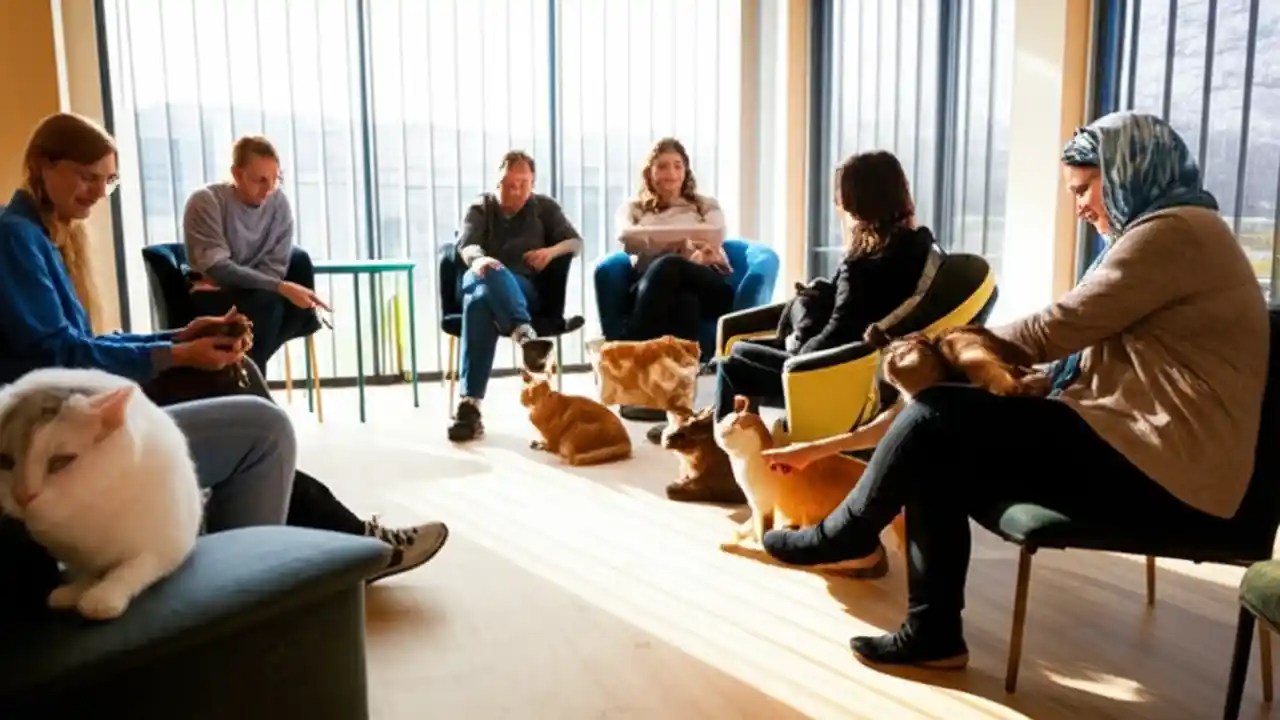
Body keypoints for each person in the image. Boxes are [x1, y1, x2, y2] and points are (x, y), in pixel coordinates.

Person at [760, 111, 1268, 669]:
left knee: (937, 421)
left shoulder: (1174, 234)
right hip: (1139, 441)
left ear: (1127, 172)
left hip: (1168, 465)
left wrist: (947, 345)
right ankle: (931, 633)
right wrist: (825, 446)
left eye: (1084, 188)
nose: (1079, 206)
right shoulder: (1170, 231)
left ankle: (846, 536)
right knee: (937, 439)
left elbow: (1052, 331)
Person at [0, 112, 446, 584]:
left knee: (242, 374)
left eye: (107, 181)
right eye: (87, 176)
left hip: (72, 402)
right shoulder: (16, 238)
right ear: (43, 165)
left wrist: (181, 335)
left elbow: (85, 345)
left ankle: (343, 536)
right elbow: (60, 357)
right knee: (259, 416)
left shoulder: (44, 236)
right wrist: (176, 356)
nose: (96, 191)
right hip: (54, 425)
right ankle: (346, 544)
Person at [449, 150, 583, 442]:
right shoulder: (480, 207)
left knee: (479, 302)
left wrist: (551, 252)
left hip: (522, 288)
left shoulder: (544, 208)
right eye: (509, 184)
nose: (516, 190)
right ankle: (526, 337)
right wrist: (481, 261)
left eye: (524, 184)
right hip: (479, 274)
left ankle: (469, 407)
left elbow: (575, 242)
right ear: (497, 182)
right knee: (485, 282)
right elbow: (467, 245)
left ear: (532, 183)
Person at [183, 135, 328, 370]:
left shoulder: (278, 202)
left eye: (275, 179)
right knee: (270, 304)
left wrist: (252, 282)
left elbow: (275, 268)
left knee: (297, 267)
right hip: (212, 295)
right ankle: (250, 374)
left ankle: (247, 371)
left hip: (243, 289)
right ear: (236, 174)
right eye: (259, 180)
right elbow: (217, 268)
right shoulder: (205, 202)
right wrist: (279, 286)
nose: (268, 189)